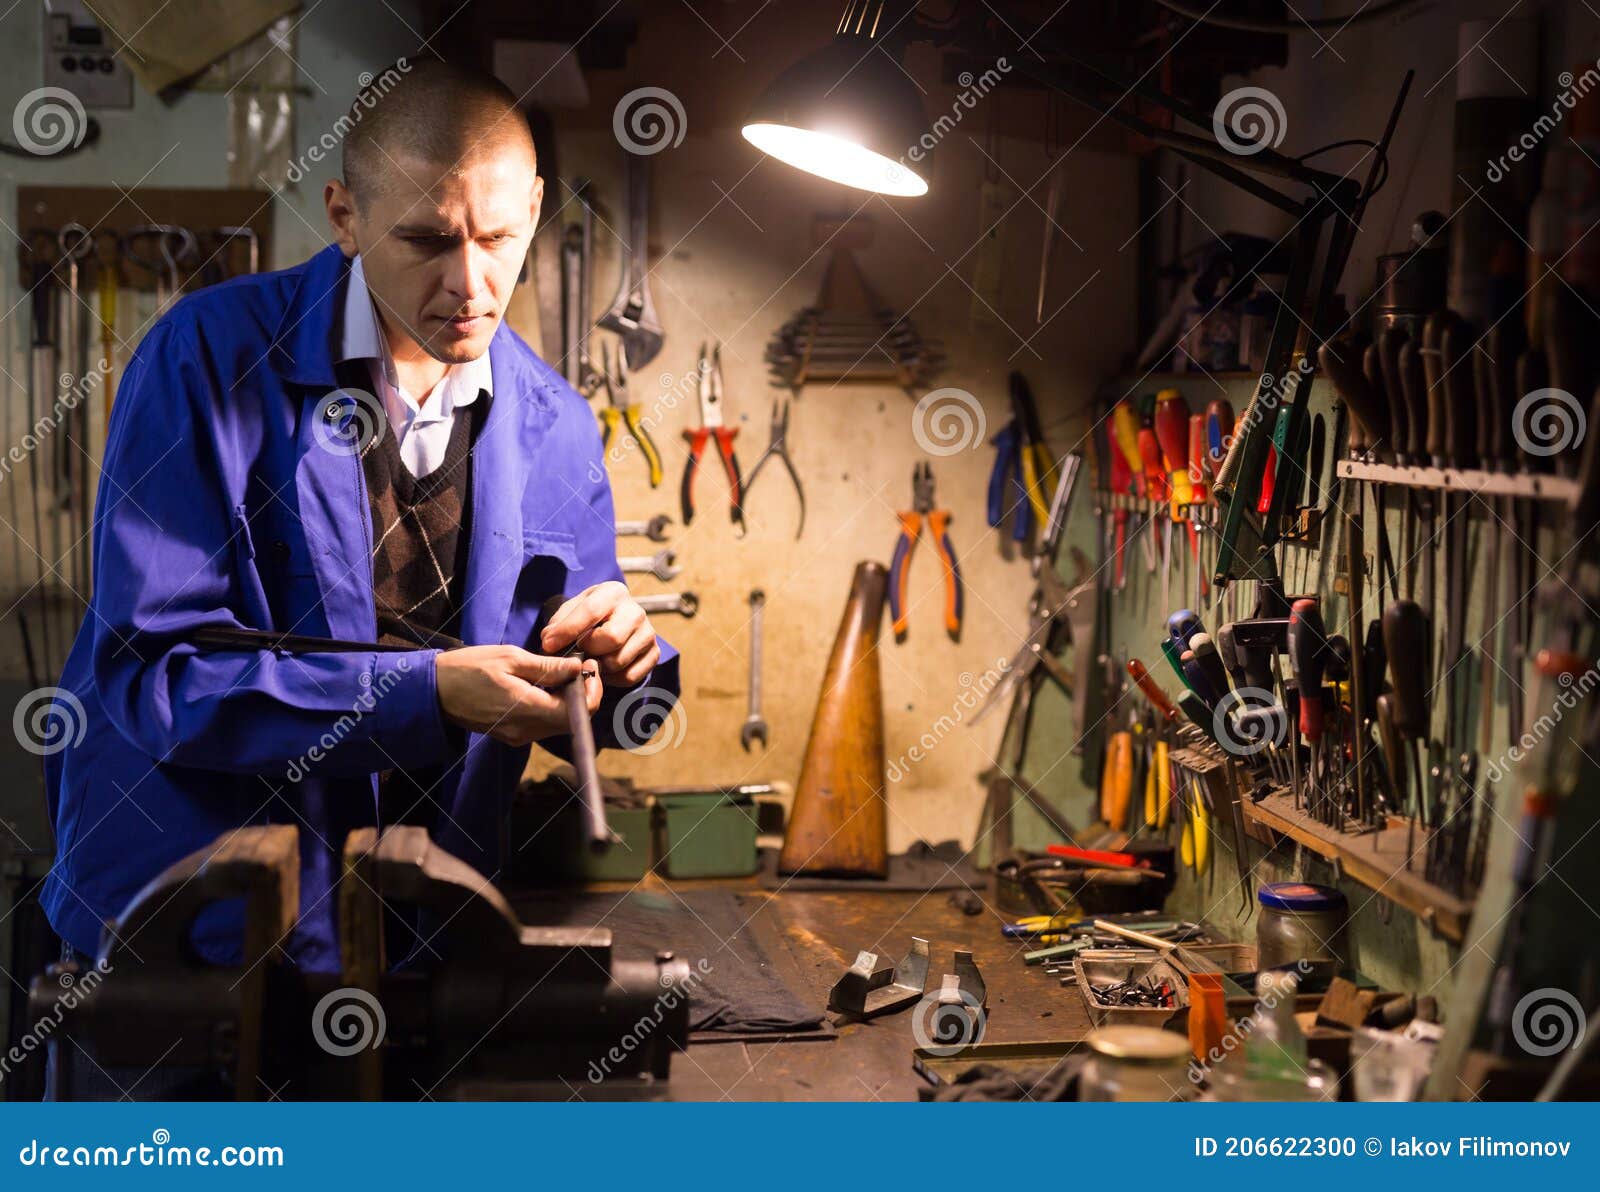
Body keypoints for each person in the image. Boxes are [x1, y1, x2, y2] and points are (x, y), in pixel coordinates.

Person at [40, 58, 678, 981]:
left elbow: (586, 696)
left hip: (420, 935)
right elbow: (159, 679)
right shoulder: (206, 363)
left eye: (497, 238)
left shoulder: (558, 425)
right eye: (426, 241)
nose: (471, 283)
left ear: (535, 209)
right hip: (194, 934)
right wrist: (427, 693)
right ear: (344, 216)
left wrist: (621, 664)